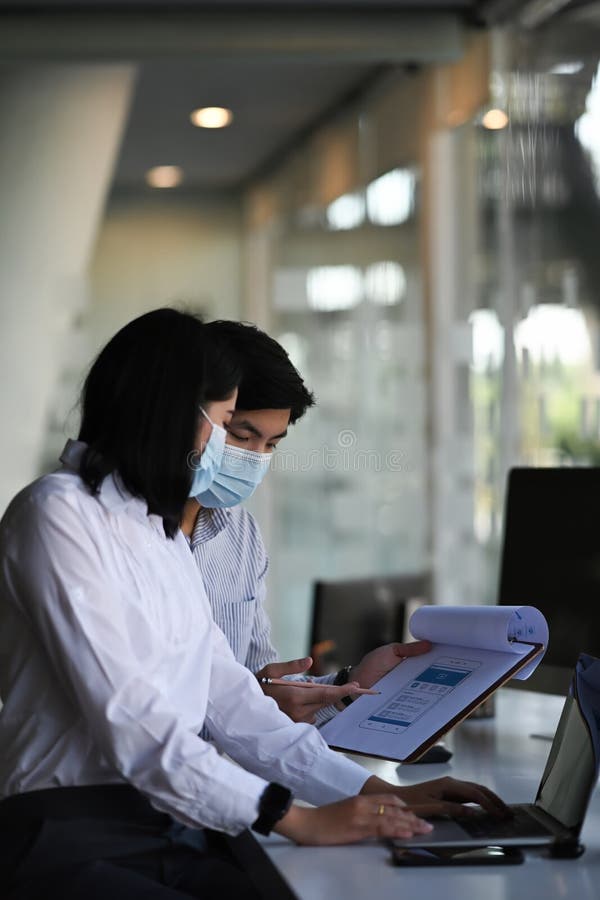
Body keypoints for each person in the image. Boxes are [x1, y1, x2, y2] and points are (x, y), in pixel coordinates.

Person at [0, 309, 506, 900]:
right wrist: (298, 819)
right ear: (169, 412)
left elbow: (234, 701)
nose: (227, 448)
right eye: (223, 423)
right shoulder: (58, 513)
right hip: (68, 835)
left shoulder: (157, 534)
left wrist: (367, 794)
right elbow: (132, 722)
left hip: (164, 823)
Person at [182, 319, 431, 725]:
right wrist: (255, 702)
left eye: (271, 445)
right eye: (242, 436)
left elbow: (263, 685)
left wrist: (352, 682)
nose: (255, 458)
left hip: (226, 772)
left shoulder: (240, 536)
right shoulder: (131, 531)